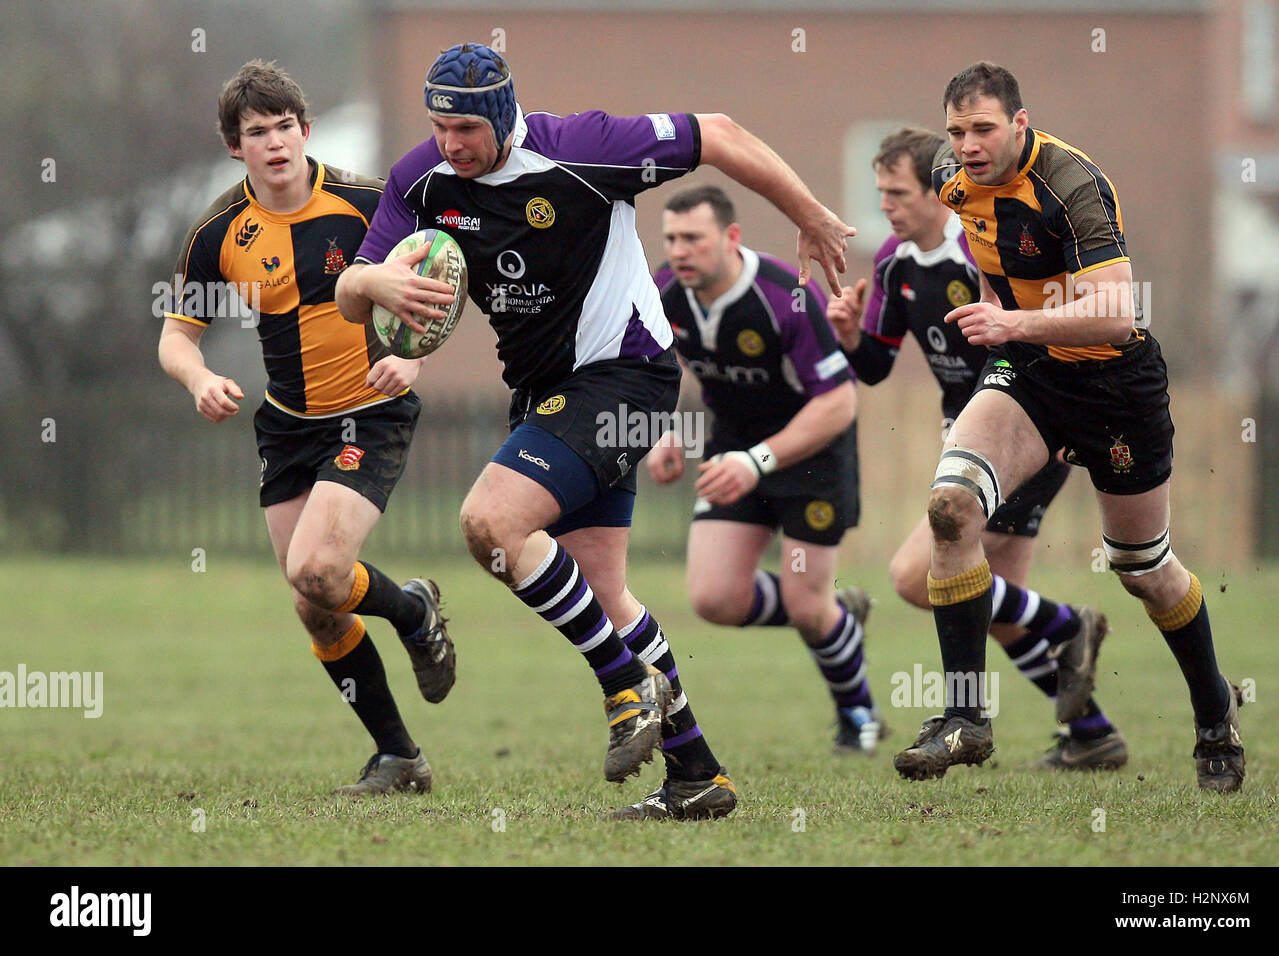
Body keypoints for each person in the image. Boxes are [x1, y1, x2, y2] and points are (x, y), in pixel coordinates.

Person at [335, 42, 856, 820]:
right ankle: (697, 777)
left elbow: (718, 132)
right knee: (605, 594)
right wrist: (373, 283)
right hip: (544, 394)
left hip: (626, 379)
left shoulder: (584, 149)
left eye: (467, 128)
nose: (451, 144)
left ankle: (622, 686)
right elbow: (352, 292)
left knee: (491, 523)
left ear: (504, 114)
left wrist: (809, 216)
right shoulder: (422, 178)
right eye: (439, 126)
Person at [890, 63, 1243, 791]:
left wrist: (1010, 322)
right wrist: (1000, 325)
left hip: (1115, 386)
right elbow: (990, 264)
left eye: (983, 129)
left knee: (1142, 570)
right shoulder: (951, 177)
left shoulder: (1074, 184)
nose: (968, 145)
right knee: (951, 507)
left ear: (1020, 123)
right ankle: (964, 718)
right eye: (956, 131)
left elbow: (1115, 313)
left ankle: (1215, 712)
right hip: (1031, 373)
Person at [157, 60, 455, 797]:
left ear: (306, 130)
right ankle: (400, 756)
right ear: (235, 146)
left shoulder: (367, 203)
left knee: (318, 571)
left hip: (369, 411)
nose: (275, 143)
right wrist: (199, 380)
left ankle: (413, 614)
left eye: (285, 126)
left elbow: (440, 286)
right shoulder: (218, 231)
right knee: (312, 604)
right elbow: (176, 337)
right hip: (287, 425)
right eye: (258, 132)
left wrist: (411, 360)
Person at [827, 128, 1125, 770]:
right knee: (996, 609)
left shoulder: (979, 252)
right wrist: (851, 336)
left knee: (916, 577)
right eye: (880, 194)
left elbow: (1044, 329)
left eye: (898, 193)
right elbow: (875, 366)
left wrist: (1062, 421)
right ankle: (1092, 735)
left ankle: (1066, 626)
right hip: (967, 444)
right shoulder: (894, 262)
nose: (886, 207)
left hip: (1024, 435)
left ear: (938, 193)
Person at [650, 185, 882, 756]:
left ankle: (859, 715)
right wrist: (664, 431)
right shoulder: (666, 290)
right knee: (715, 599)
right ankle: (836, 617)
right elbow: (649, 367)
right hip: (734, 447)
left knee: (807, 605)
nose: (679, 251)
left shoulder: (785, 295)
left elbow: (839, 402)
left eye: (693, 238)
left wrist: (759, 462)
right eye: (672, 239)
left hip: (811, 454)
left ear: (731, 237)